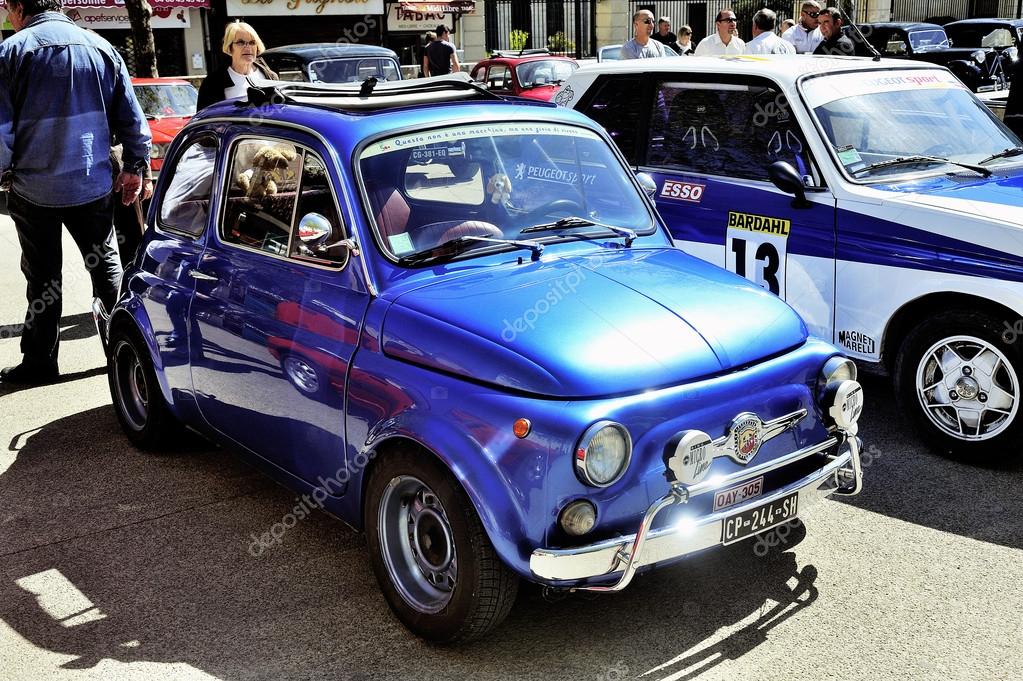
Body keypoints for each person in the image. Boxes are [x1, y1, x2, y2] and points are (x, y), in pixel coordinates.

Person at [0, 0, 151, 385]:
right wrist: (135, 166)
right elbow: (132, 118)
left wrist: (2, 172)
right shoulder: (101, 47)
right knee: (107, 269)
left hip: (35, 191)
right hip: (93, 185)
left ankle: (39, 363)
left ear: (19, 7)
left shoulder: (11, 52)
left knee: (43, 277)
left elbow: (1, 130)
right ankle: (124, 354)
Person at [197, 21, 277, 110]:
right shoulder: (212, 83)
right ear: (230, 48)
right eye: (240, 42)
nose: (248, 47)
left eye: (252, 42)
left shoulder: (270, 77)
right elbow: (204, 119)